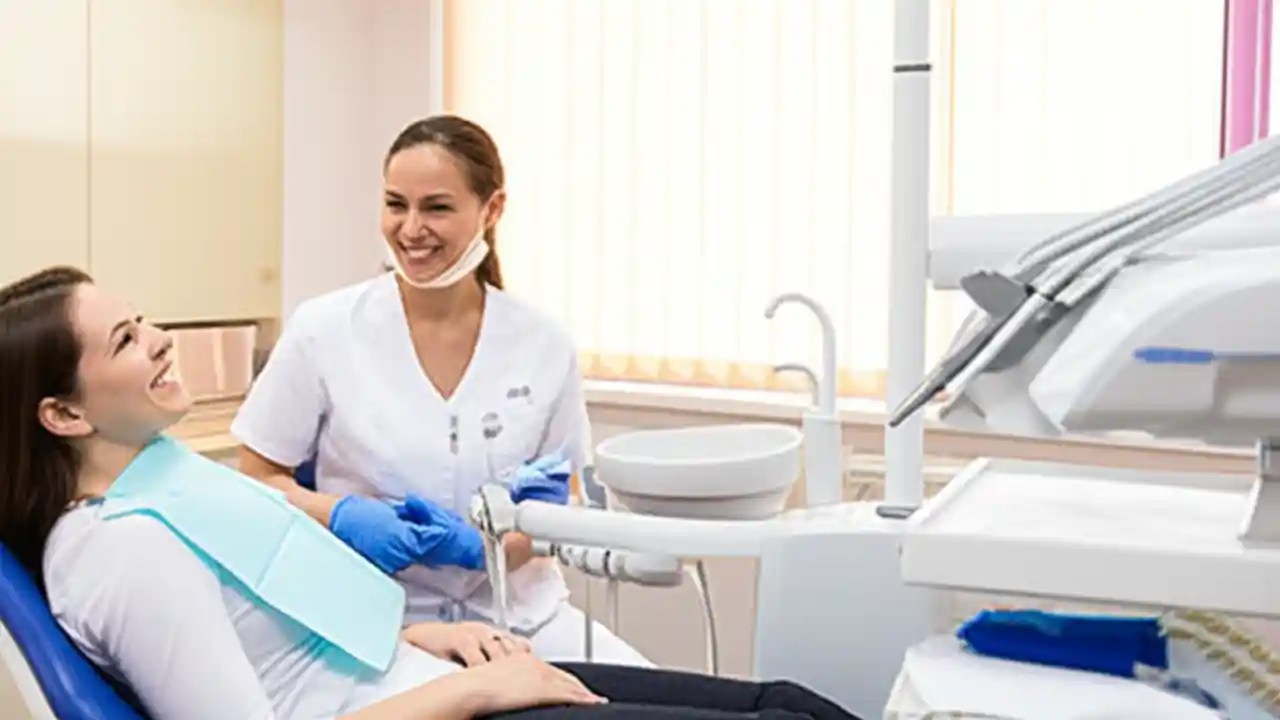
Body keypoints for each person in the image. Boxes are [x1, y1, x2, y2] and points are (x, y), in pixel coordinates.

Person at [0, 266, 860, 720]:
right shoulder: (120, 550)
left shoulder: (167, 483)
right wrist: (476, 692)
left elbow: (272, 629)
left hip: (425, 678)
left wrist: (427, 639)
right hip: (442, 709)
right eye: (125, 338)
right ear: (64, 411)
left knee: (786, 703)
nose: (158, 341)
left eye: (144, 319)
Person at [228, 114, 645, 665]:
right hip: (381, 628)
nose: (410, 228)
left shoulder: (543, 343)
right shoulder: (324, 330)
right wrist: (342, 515)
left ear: (492, 210)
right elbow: (255, 482)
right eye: (396, 204)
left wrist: (489, 549)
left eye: (437, 207)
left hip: (524, 619)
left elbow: (566, 500)